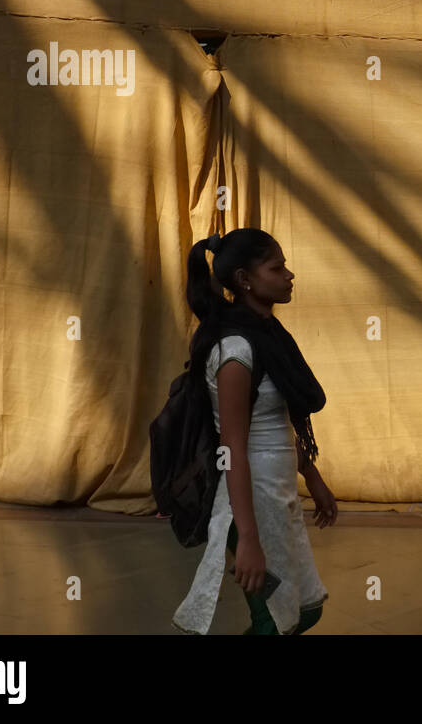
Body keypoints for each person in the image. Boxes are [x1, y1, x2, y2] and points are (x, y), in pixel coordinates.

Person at [171, 227, 337, 635]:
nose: (289, 275)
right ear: (245, 280)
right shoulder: (236, 352)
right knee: (274, 621)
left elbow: (274, 426)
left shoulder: (268, 337)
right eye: (277, 268)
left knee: (303, 611)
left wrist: (311, 476)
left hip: (275, 493)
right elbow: (232, 448)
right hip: (248, 500)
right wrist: (246, 538)